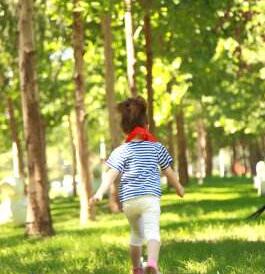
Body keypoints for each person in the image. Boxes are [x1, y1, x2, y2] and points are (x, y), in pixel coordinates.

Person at [90, 96, 184, 274]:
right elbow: (168, 171)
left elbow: (111, 174)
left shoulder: (121, 151)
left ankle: (136, 269)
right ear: (147, 126)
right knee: (152, 233)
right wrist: (178, 187)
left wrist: (99, 193)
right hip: (149, 198)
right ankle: (152, 264)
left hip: (130, 201)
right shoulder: (156, 147)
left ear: (125, 130)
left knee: (136, 235)